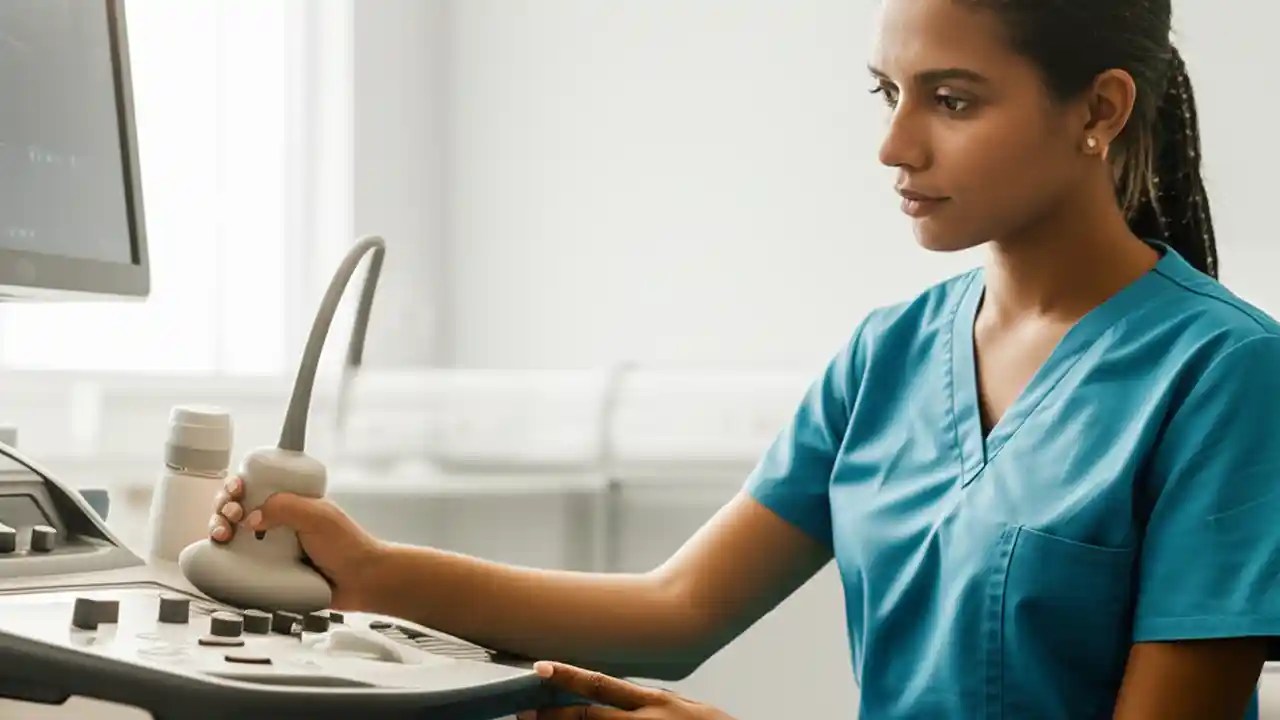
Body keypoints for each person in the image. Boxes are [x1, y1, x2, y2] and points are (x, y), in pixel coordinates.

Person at [210, 0, 1280, 717]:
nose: (894, 146)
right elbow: (674, 612)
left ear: (1097, 109)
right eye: (886, 93)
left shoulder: (1223, 378)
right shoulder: (888, 356)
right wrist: (377, 573)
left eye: (950, 101)